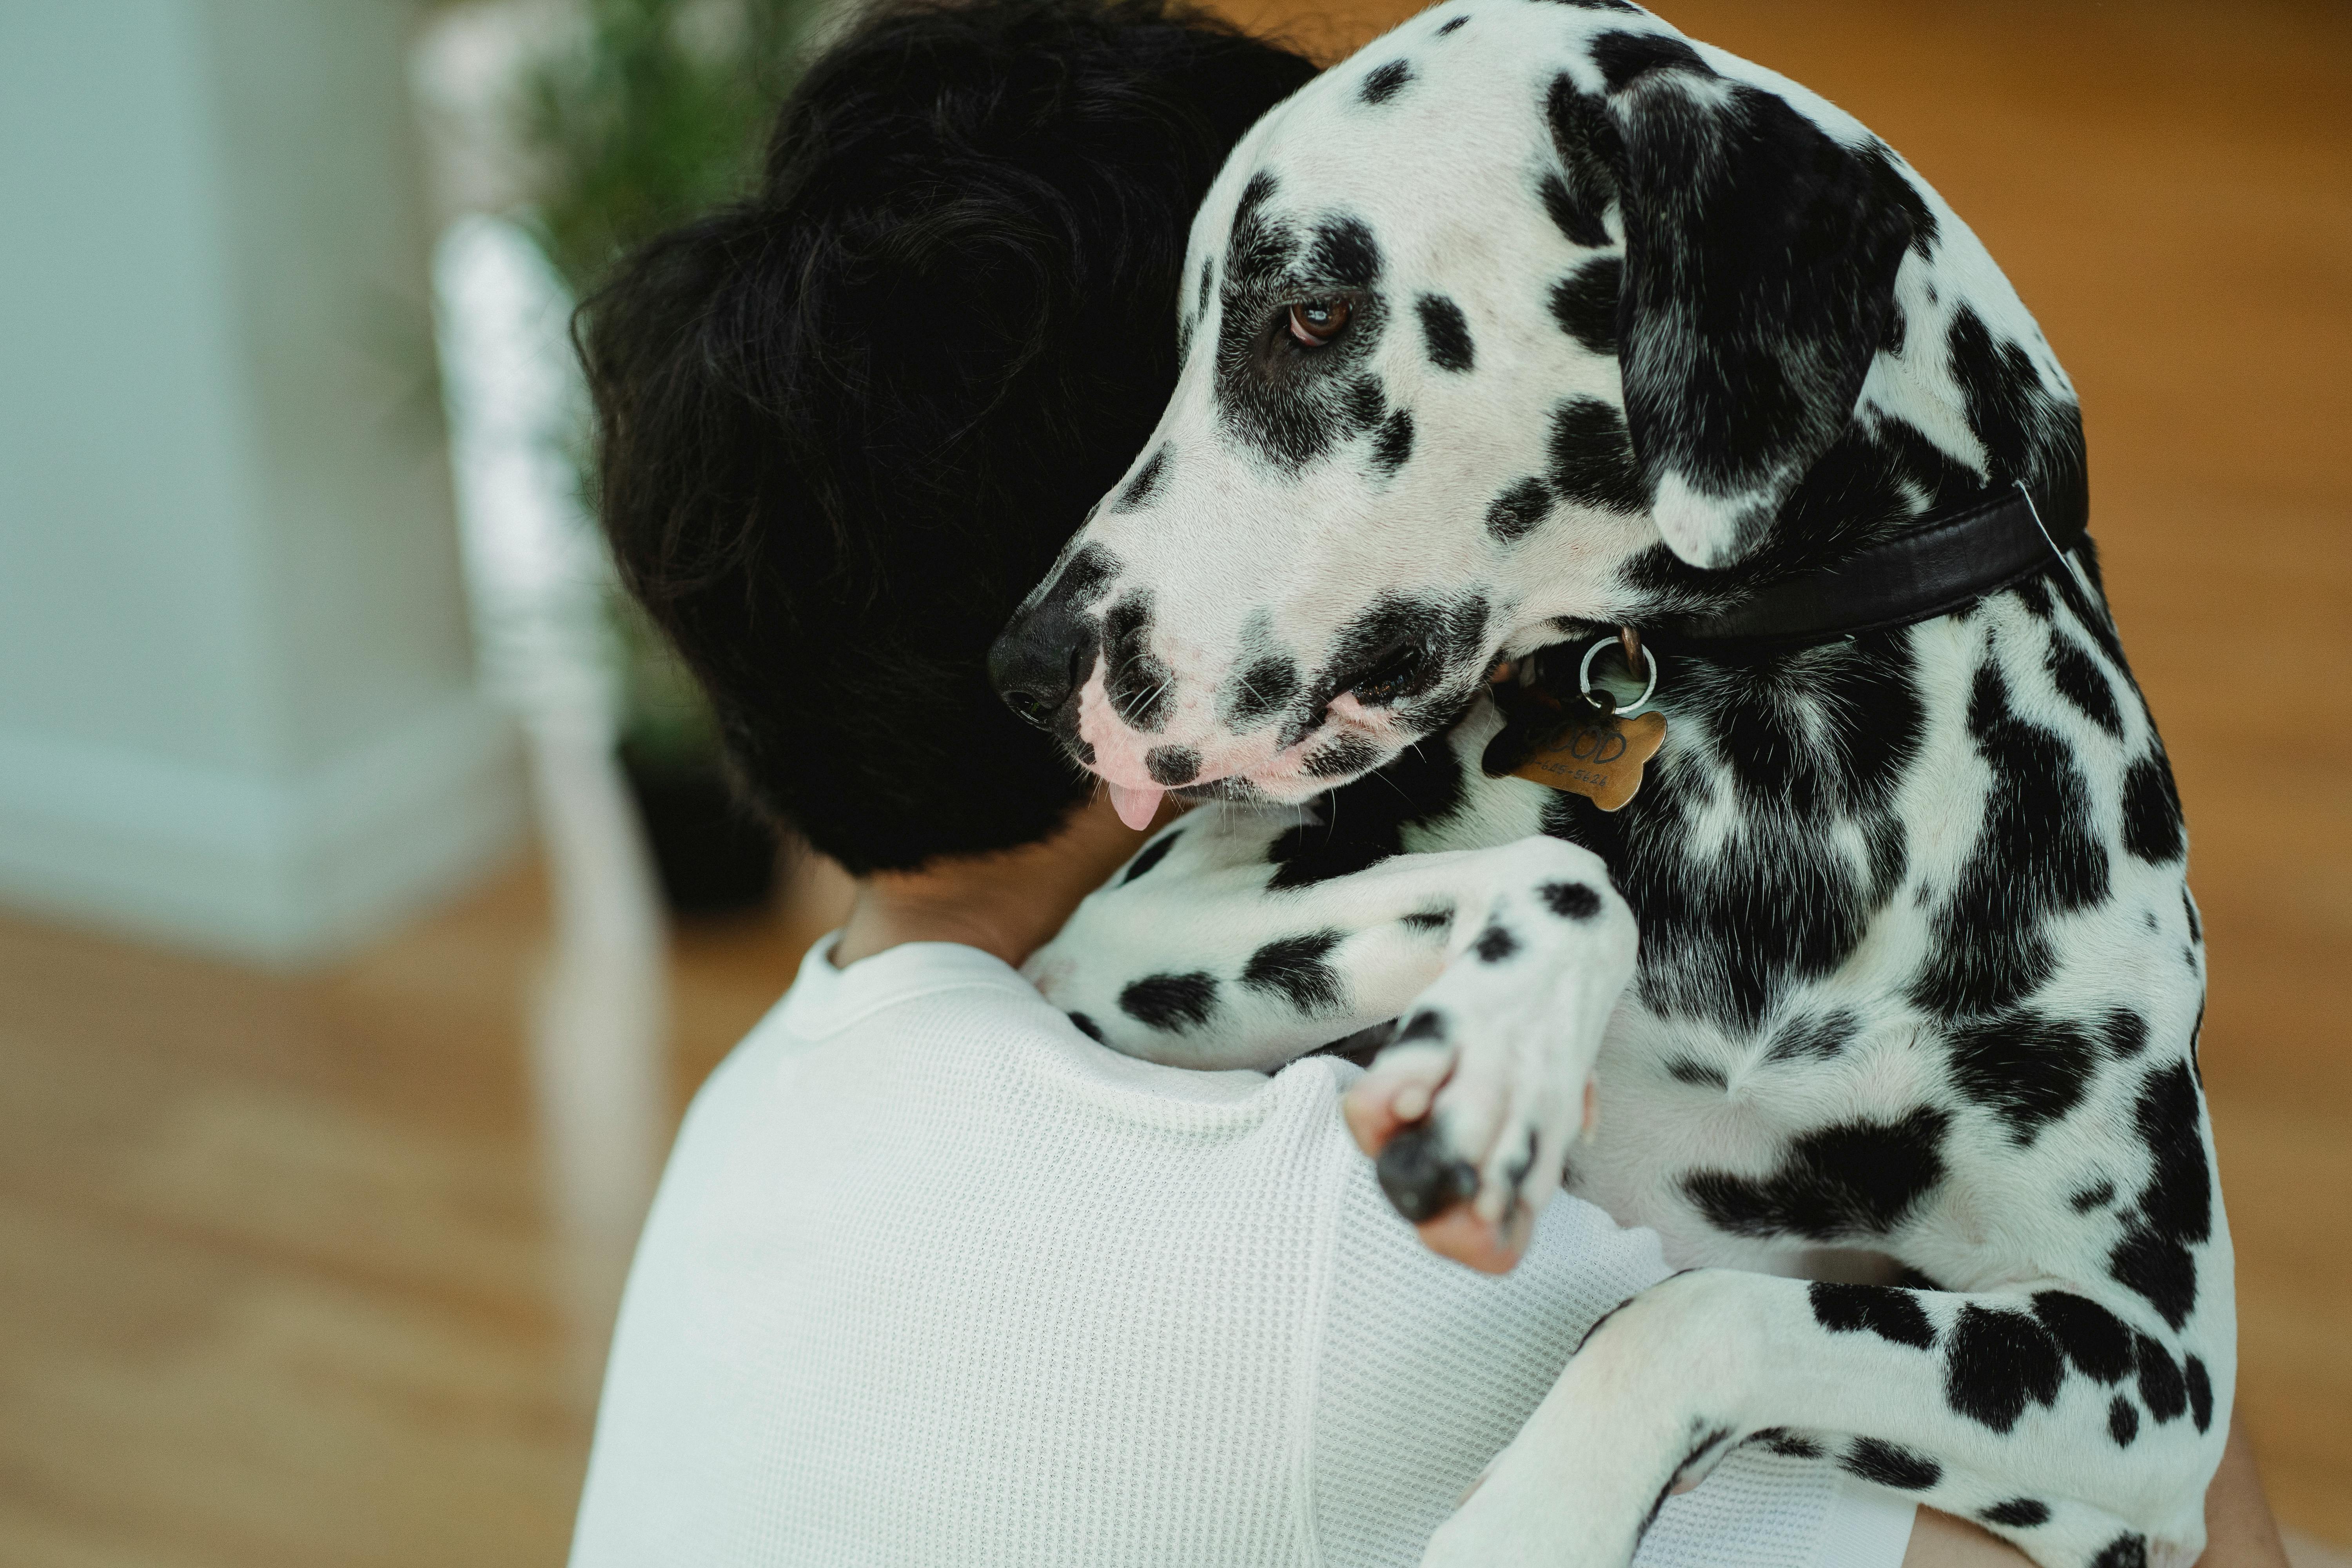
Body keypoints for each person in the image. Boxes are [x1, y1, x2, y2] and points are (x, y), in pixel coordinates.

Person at [566, 0, 2291, 1563]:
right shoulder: (1387, 1243)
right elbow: (2165, 1522)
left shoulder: (752, 1115)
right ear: (1098, 555)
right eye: (1265, 351)